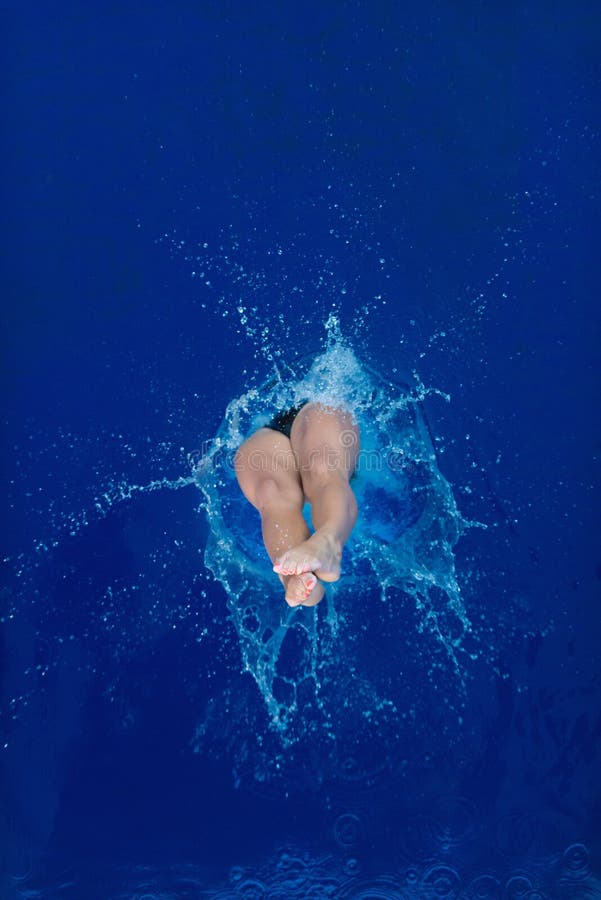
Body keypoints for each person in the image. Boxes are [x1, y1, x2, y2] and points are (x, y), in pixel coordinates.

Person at [234, 400, 360, 607]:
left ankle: (328, 543)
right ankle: (296, 578)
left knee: (321, 465)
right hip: (271, 429)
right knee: (270, 489)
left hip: (318, 413)